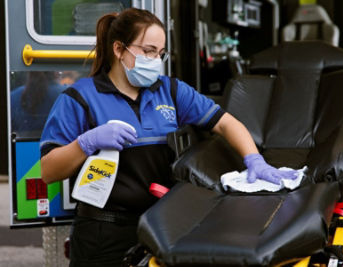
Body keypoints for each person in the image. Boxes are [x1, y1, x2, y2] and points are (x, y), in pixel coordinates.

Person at [40, 8, 297, 266]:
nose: (155, 60)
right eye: (148, 51)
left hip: (161, 227)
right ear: (119, 49)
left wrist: (254, 159)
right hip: (103, 233)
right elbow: (49, 171)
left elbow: (227, 124)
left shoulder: (170, 91)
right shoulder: (80, 98)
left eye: (160, 53)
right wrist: (86, 143)